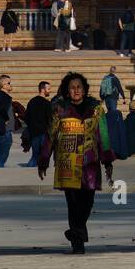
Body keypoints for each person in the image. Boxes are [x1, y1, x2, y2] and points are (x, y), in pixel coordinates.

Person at [37, 72, 114, 253]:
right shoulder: (59, 109)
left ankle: (75, 231)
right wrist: (43, 160)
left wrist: (108, 161)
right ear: (66, 91)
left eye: (79, 87)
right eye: (72, 87)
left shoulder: (96, 109)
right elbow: (50, 136)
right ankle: (77, 242)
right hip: (67, 164)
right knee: (73, 204)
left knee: (87, 202)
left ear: (85, 89)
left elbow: (103, 135)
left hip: (90, 163)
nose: (76, 90)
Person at [23, 80, 53, 166]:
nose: (50, 90)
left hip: (34, 133)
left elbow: (26, 117)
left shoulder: (32, 101)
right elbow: (50, 119)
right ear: (43, 89)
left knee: (35, 155)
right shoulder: (47, 103)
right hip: (44, 133)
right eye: (48, 89)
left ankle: (30, 168)